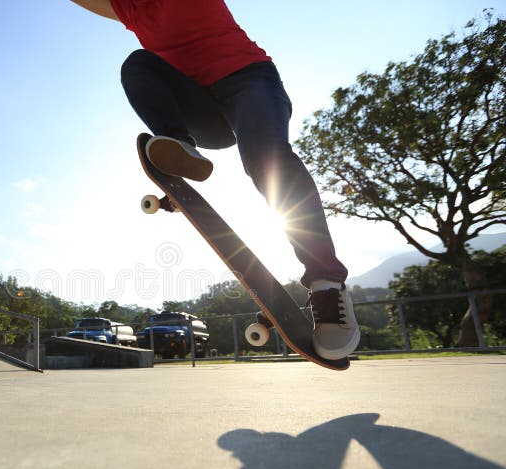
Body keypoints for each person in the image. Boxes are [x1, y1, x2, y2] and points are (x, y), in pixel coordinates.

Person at [69, 0, 360, 360]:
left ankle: (326, 282)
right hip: (203, 111)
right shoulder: (130, 8)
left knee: (266, 162)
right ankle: (178, 145)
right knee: (137, 66)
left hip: (250, 83)